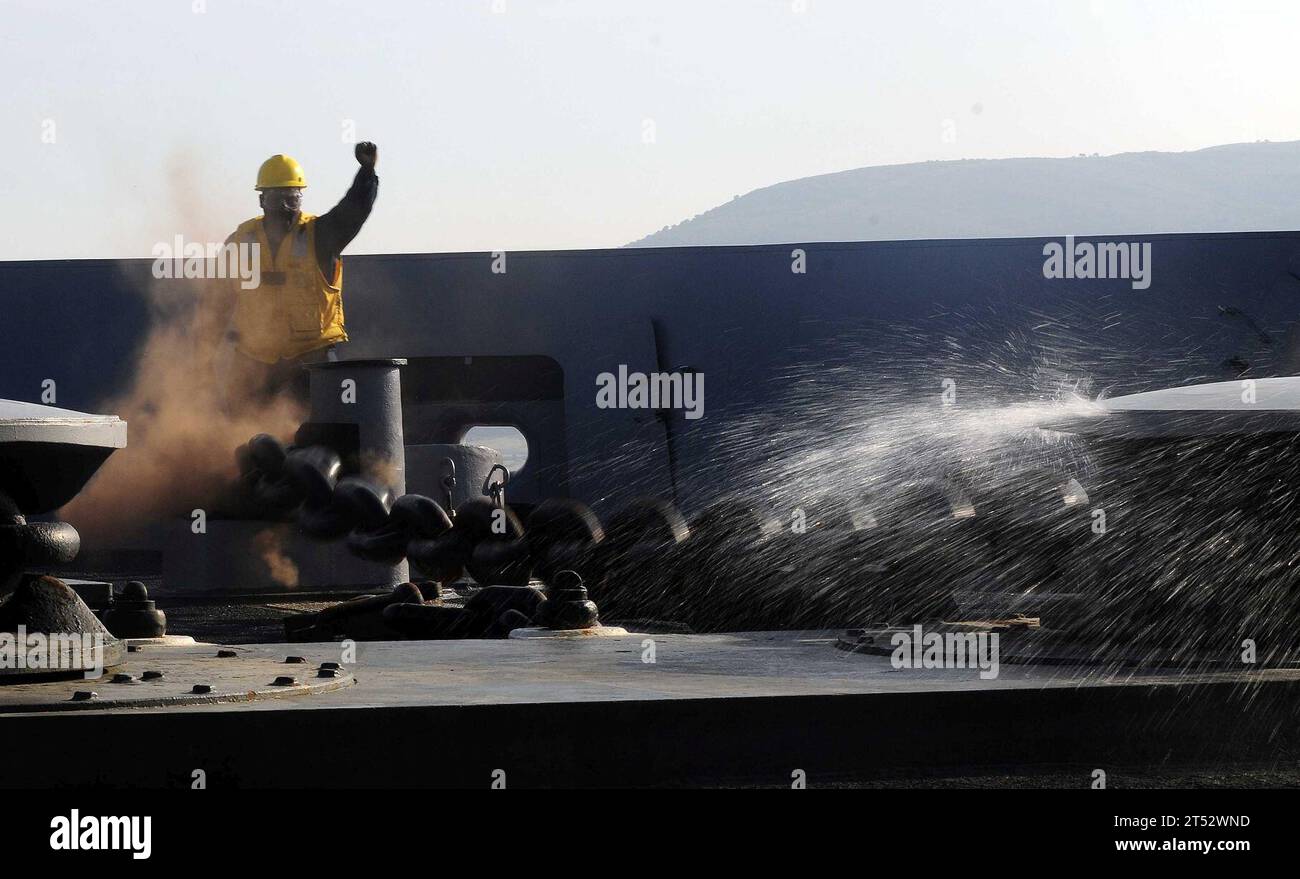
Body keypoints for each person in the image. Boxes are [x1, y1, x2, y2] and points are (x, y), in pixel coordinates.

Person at [216, 143, 379, 407]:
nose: (284, 207)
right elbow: (218, 298)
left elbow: (354, 210)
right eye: (276, 199)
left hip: (312, 357)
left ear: (300, 199)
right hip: (256, 358)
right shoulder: (240, 241)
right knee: (241, 421)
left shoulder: (321, 235)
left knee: (326, 421)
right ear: (261, 200)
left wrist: (367, 174)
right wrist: (216, 347)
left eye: (292, 198)